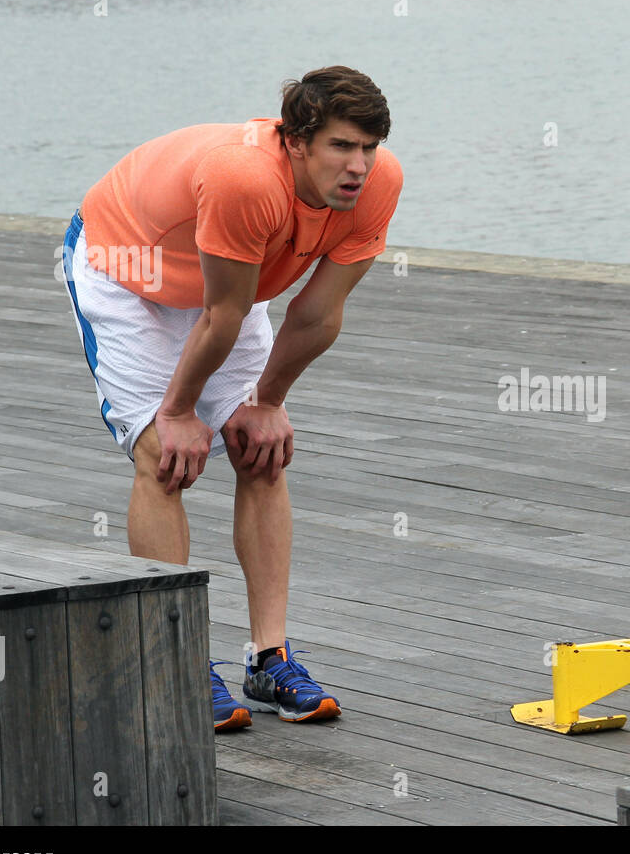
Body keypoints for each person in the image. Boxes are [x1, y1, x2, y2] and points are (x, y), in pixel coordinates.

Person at [61, 65, 402, 731]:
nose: (359, 165)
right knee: (166, 456)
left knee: (261, 451)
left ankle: (268, 657)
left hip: (223, 285)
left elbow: (318, 312)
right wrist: (181, 412)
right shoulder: (245, 177)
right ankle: (175, 659)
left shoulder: (378, 184)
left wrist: (267, 402)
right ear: (296, 140)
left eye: (369, 146)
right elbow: (225, 313)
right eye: (342, 146)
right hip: (126, 271)